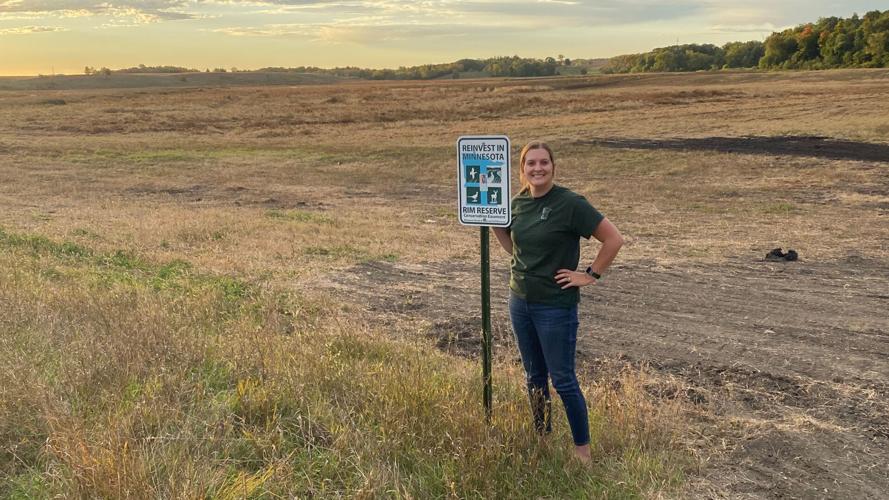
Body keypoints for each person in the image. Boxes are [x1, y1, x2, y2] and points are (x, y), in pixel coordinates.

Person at [492, 141, 623, 463]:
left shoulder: (570, 204)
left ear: (553, 166)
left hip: (555, 305)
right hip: (519, 300)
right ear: (522, 170)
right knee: (534, 376)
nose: (537, 169)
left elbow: (614, 239)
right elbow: (513, 245)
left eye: (543, 163)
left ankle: (583, 452)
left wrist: (590, 274)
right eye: (530, 164)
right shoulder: (518, 203)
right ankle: (542, 437)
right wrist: (498, 226)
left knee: (563, 379)